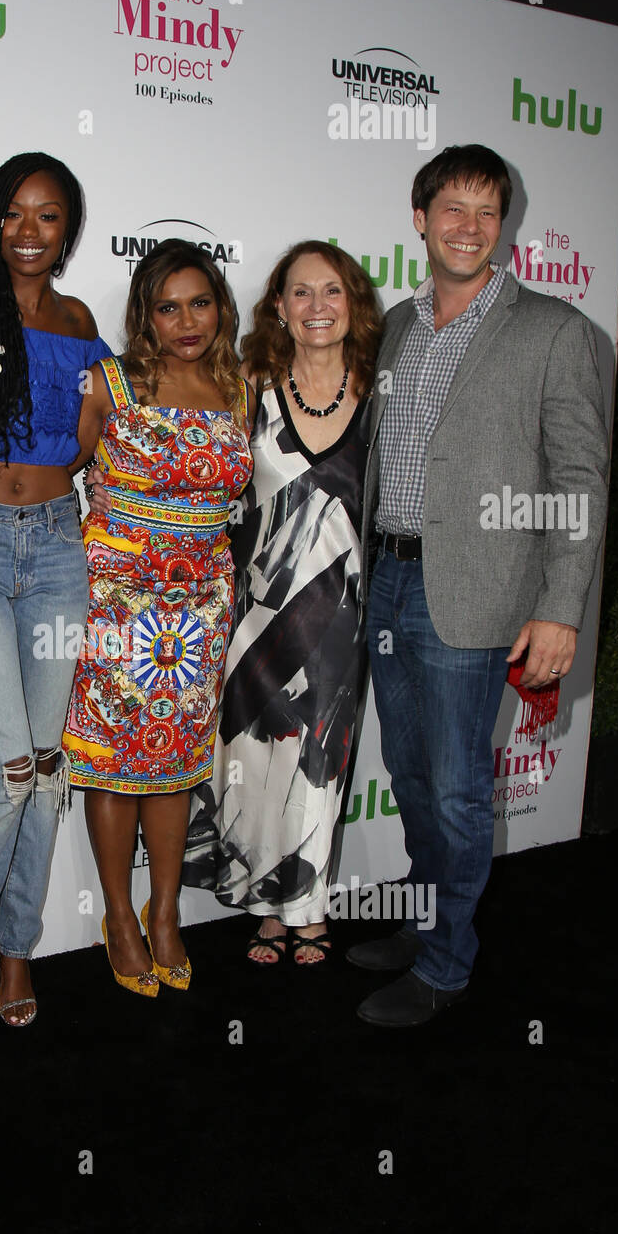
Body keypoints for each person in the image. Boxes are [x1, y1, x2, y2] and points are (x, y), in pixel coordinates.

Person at [350, 143, 609, 1026]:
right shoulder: (392, 323)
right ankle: (425, 920)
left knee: (459, 789)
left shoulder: (554, 330)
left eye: (486, 211)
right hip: (388, 578)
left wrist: (560, 609)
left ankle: (448, 965)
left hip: (478, 592)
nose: (468, 226)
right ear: (419, 220)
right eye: (451, 208)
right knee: (410, 772)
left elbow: (581, 480)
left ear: (505, 225)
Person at [0, 153, 108, 1026]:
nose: (30, 231)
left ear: (67, 229)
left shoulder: (79, 321)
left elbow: (89, 438)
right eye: (13, 213)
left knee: (45, 771)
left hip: (57, 550)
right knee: (7, 768)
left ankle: (15, 950)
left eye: (48, 216)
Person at [183, 241, 382, 965]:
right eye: (301, 293)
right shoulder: (250, 384)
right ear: (279, 307)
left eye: (332, 291)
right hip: (256, 614)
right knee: (254, 764)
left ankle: (306, 905)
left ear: (353, 302)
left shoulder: (378, 389)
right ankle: (265, 905)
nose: (317, 307)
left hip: (341, 617)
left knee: (317, 760)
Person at [64, 239, 253, 996]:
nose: (185, 322)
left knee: (175, 763)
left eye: (199, 304)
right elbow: (56, 472)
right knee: (115, 761)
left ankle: (166, 913)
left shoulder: (238, 386)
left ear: (220, 308)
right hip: (117, 603)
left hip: (200, 605)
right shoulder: (111, 382)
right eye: (167, 307)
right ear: (145, 313)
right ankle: (118, 916)